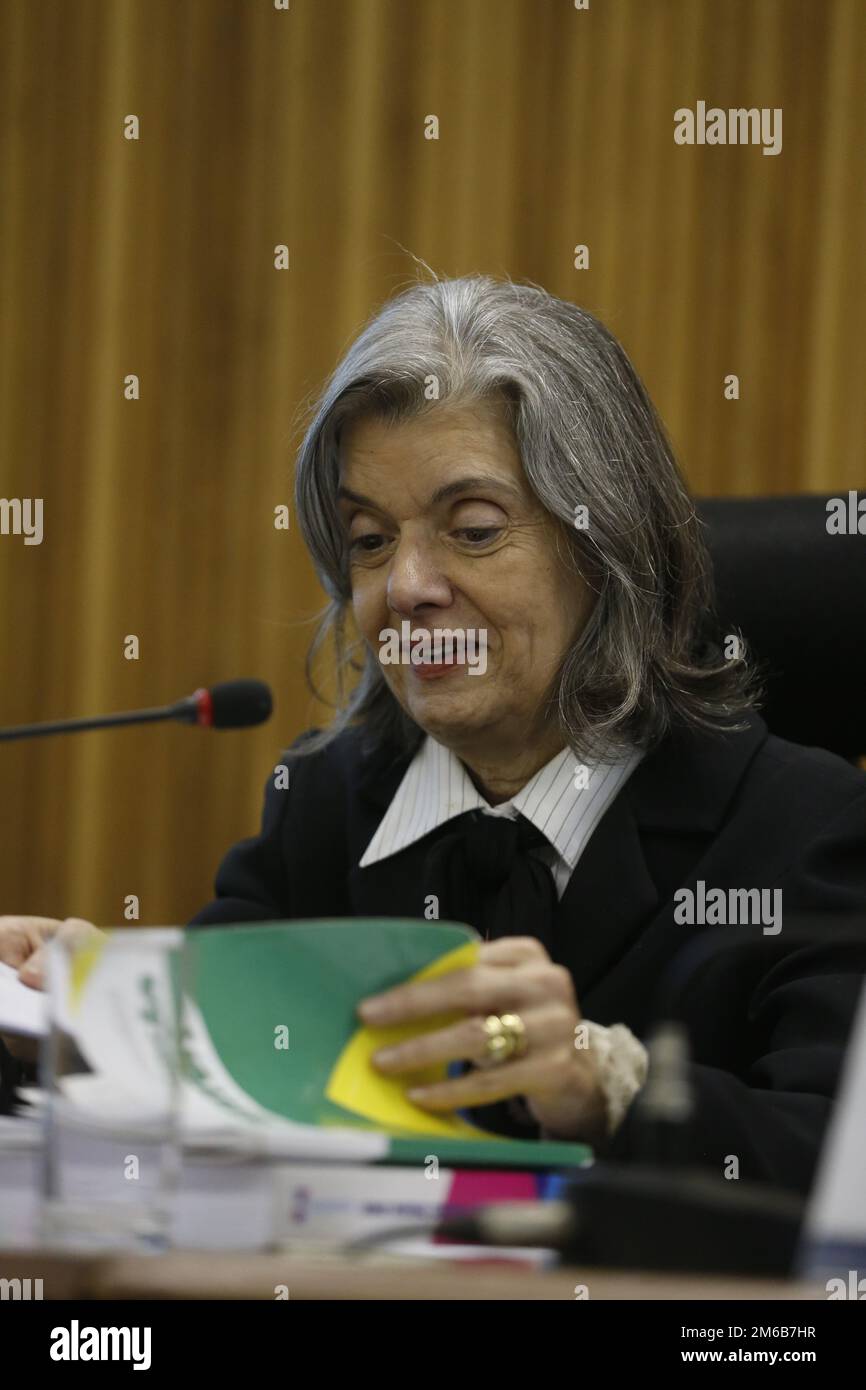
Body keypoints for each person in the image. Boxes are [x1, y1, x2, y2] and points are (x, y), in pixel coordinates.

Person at [3, 275, 865, 1194]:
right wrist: (75, 1017)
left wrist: (610, 1085)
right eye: (369, 540)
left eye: (474, 529)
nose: (407, 586)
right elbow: (216, 1075)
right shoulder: (327, 808)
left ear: (609, 544)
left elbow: (833, 1161)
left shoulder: (805, 828)